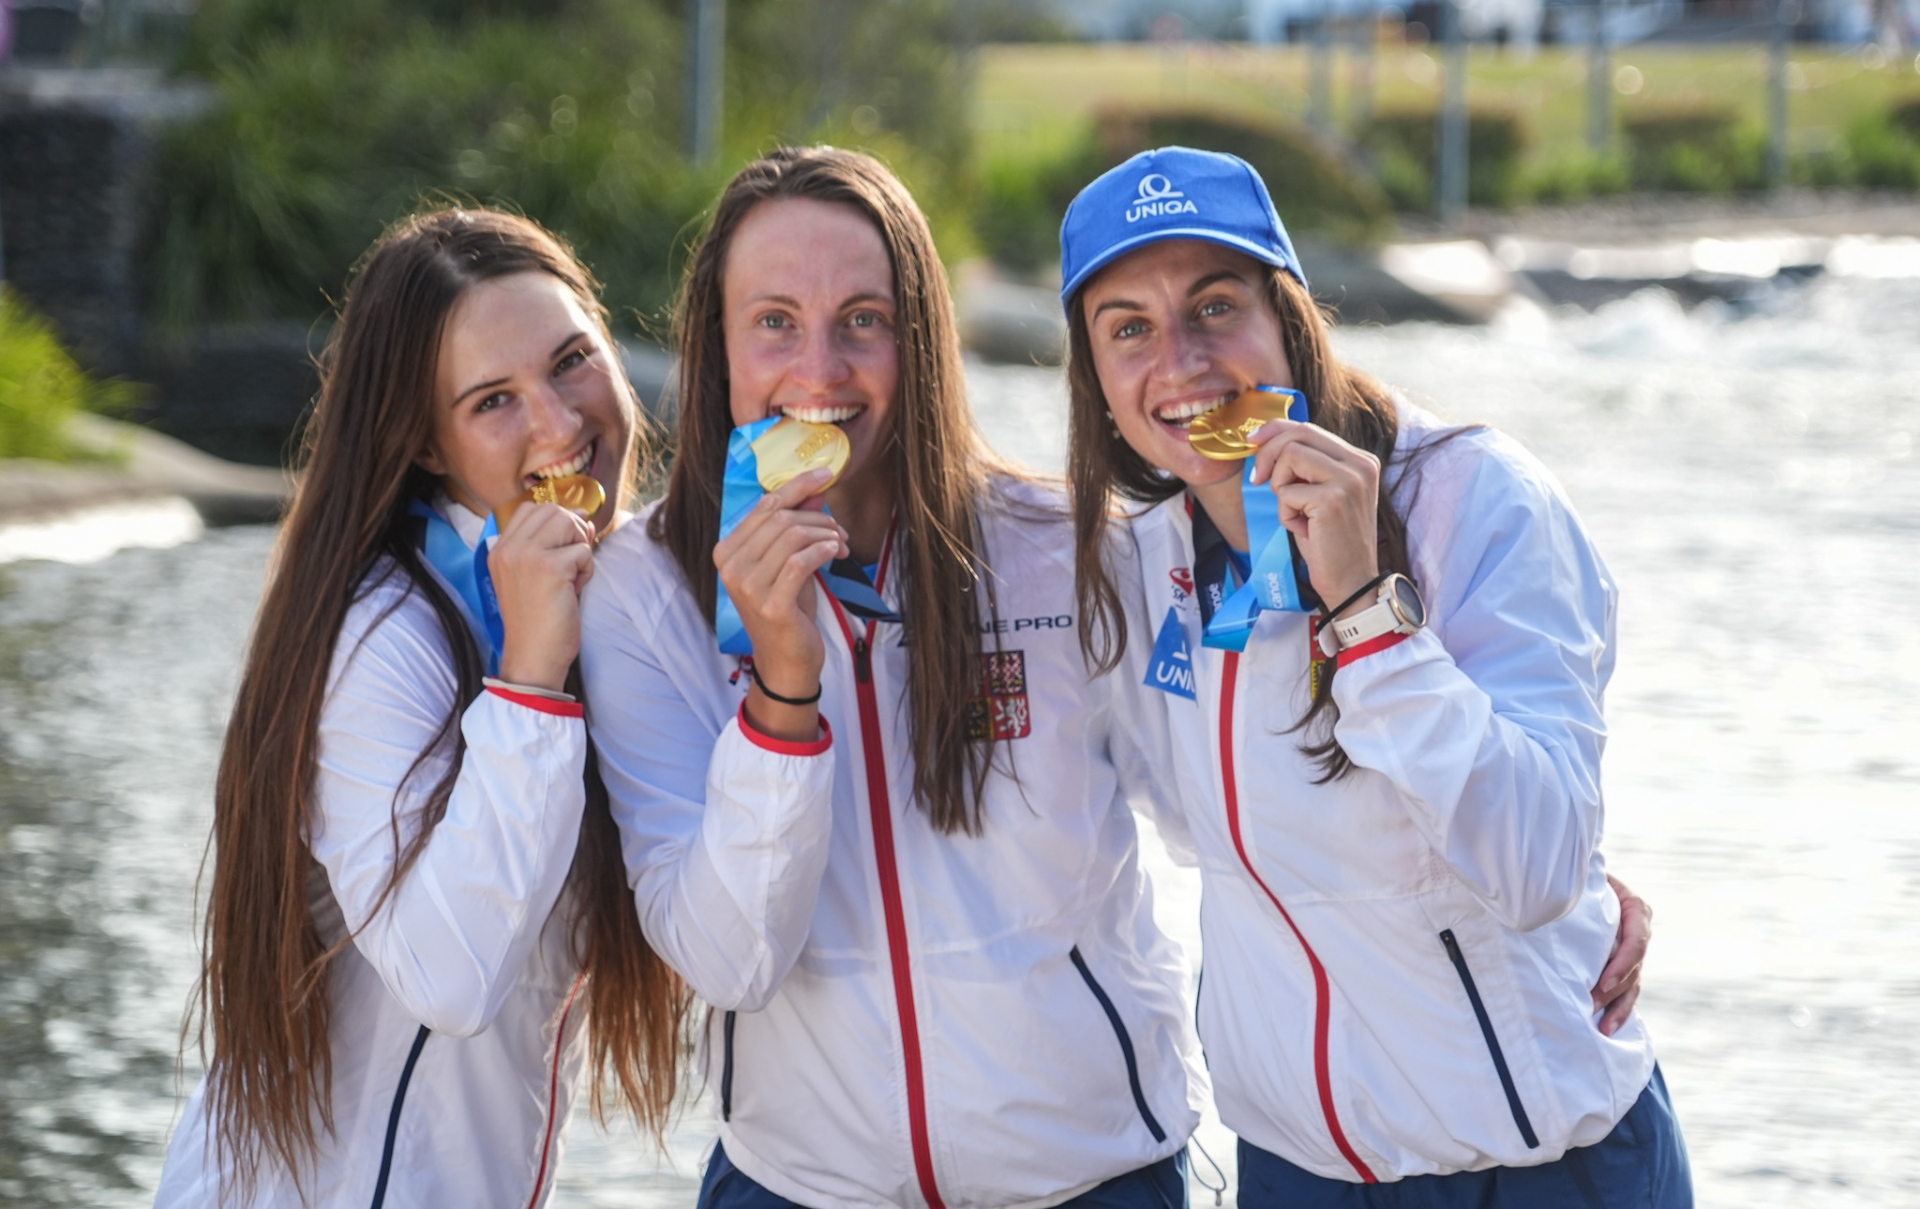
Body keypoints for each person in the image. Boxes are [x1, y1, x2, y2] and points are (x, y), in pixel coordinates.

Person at [1058, 146, 1689, 1207]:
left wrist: (1363, 610)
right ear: (1097, 381)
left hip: (1535, 1169)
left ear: (1291, 316)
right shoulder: (1138, 569)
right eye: (1129, 327)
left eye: (1216, 306)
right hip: (1295, 1172)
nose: (1182, 360)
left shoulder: (1478, 498)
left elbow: (1536, 864)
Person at [578, 147, 1207, 1209]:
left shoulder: (1071, 546)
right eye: (774, 321)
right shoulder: (643, 591)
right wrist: (781, 690)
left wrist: (1535, 910)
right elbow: (728, 962)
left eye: (862, 319)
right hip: (798, 1185)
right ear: (717, 346)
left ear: (919, 342)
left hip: (1094, 1177)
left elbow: (1231, 814)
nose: (819, 371)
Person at [154, 209, 685, 1208]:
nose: (561, 424)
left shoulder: (620, 599)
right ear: (427, 447)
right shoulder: (381, 637)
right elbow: (450, 975)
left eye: (573, 359)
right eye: (494, 400)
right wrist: (528, 680)